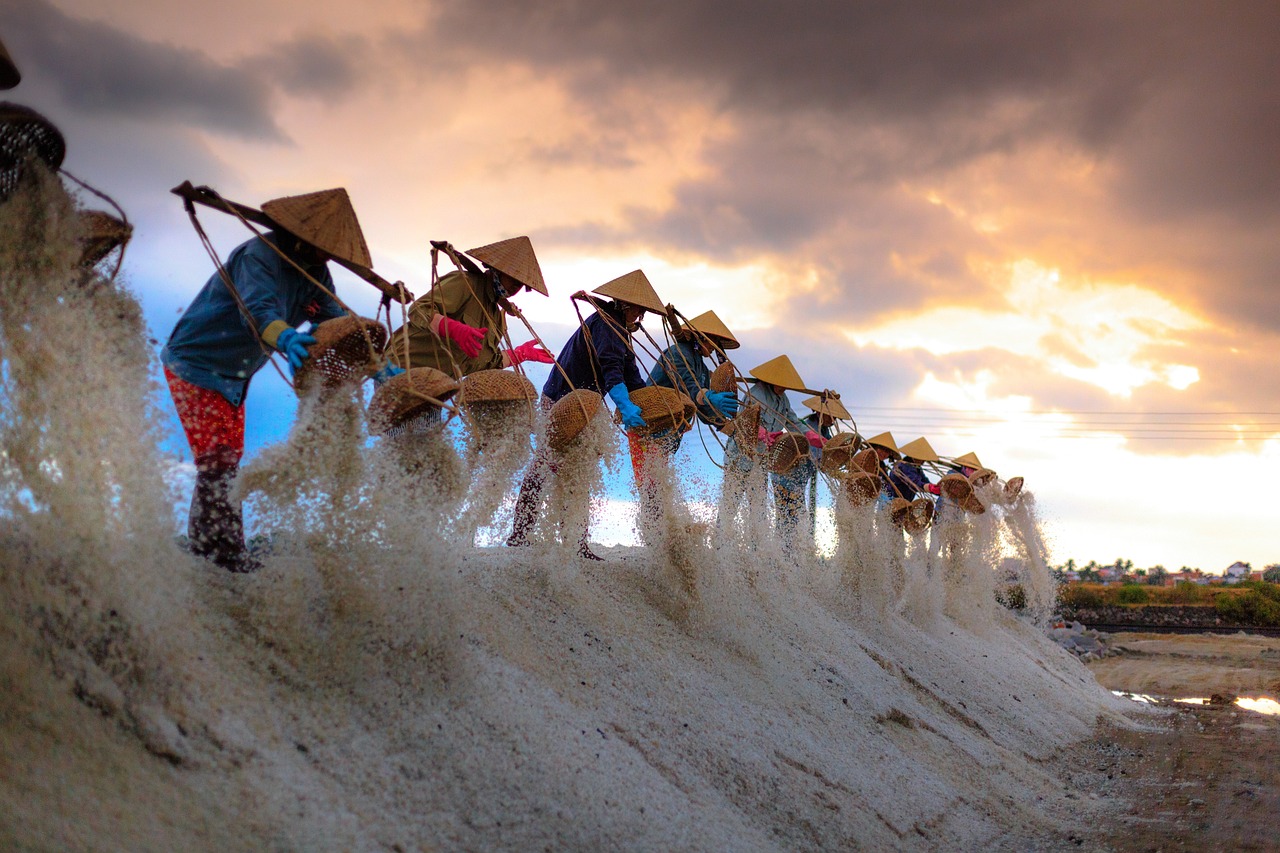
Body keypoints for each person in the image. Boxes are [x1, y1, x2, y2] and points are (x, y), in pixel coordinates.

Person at [161, 187, 375, 572]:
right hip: (196, 361)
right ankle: (219, 557)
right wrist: (286, 336)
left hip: (236, 376)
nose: (322, 256)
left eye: (328, 252)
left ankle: (217, 549)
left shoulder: (316, 274)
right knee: (218, 461)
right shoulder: (259, 256)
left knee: (227, 460)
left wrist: (377, 364)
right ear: (296, 235)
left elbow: (335, 319)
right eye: (317, 247)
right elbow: (257, 310)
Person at [506, 270, 666, 560]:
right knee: (545, 463)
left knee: (580, 472)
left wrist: (648, 407)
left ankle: (576, 542)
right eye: (639, 308)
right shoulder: (606, 326)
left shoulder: (619, 332)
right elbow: (611, 368)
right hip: (559, 399)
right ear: (625, 304)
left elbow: (632, 379)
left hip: (587, 407)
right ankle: (521, 533)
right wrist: (623, 403)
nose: (641, 314)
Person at [388, 236, 554, 378]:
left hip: (434, 384)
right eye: (513, 280)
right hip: (400, 370)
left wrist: (519, 355)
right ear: (497, 270)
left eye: (521, 285)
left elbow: (484, 364)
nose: (516, 288)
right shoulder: (466, 283)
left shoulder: (497, 318)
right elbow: (419, 310)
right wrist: (453, 328)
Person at [635, 310, 741, 525]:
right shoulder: (677, 353)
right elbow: (689, 387)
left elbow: (703, 409)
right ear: (700, 338)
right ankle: (655, 540)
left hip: (669, 431)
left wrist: (728, 427)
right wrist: (709, 396)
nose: (712, 349)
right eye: (712, 343)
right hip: (648, 424)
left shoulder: (700, 365)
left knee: (659, 484)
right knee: (651, 487)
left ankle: (660, 538)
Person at [720, 355, 826, 548]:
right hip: (739, 459)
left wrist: (814, 438)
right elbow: (745, 421)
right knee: (729, 507)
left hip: (760, 464)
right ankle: (718, 548)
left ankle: (756, 554)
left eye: (786, 385)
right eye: (780, 384)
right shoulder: (757, 394)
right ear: (770, 380)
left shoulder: (783, 400)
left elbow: (794, 423)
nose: (783, 387)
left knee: (758, 511)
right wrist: (763, 434)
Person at [799, 392, 848, 540]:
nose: (833, 421)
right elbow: (819, 460)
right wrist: (839, 474)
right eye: (831, 416)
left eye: (835, 418)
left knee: (798, 519)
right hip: (788, 478)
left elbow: (833, 452)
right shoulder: (808, 427)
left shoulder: (825, 431)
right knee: (793, 520)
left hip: (800, 481)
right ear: (820, 412)